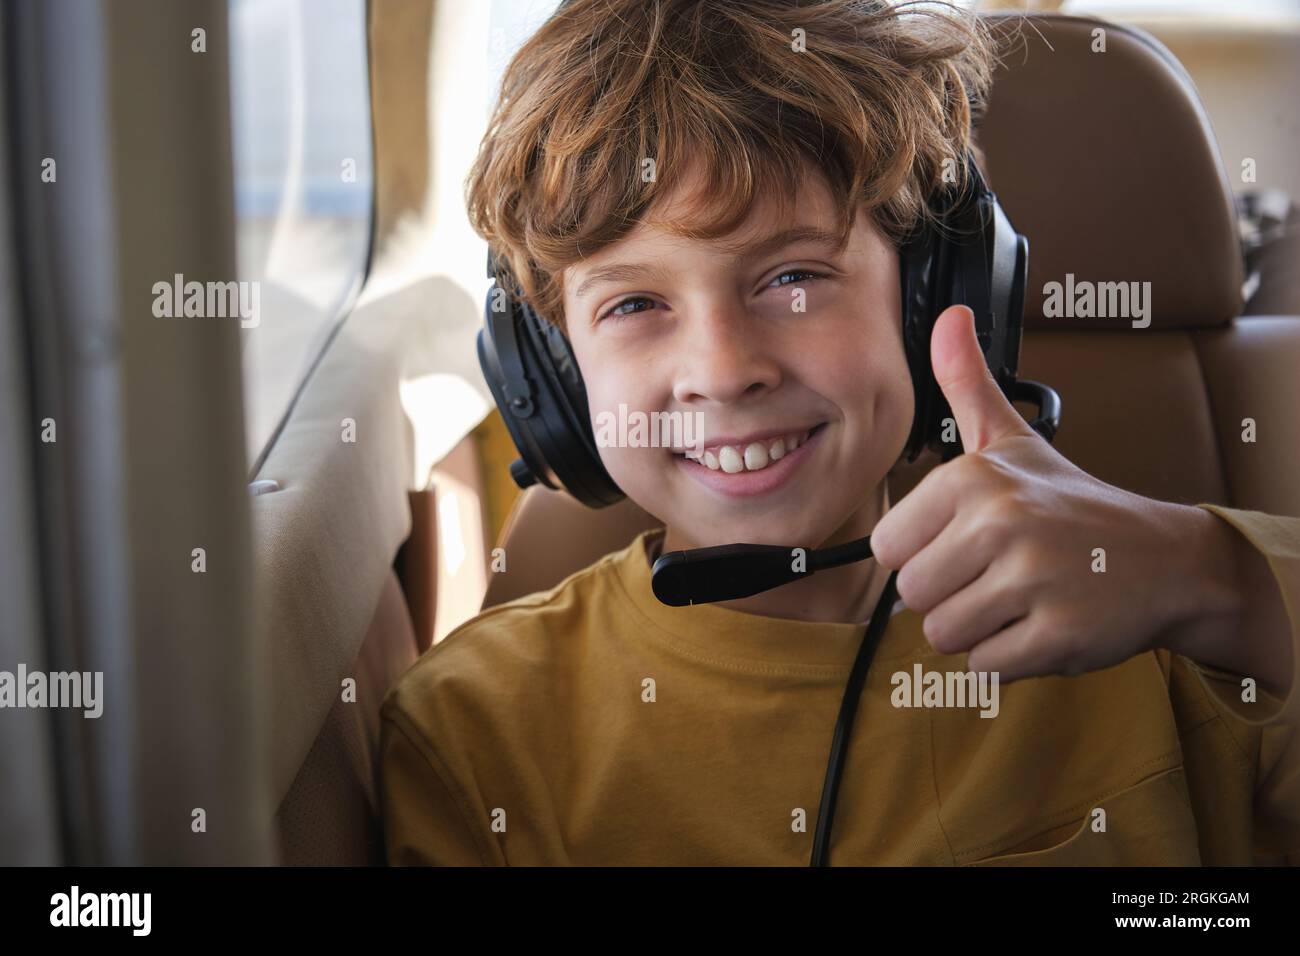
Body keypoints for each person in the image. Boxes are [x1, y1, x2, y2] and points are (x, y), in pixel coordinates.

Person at [379, 0, 1298, 865]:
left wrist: (1208, 576)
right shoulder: (475, 733)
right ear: (554, 374)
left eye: (794, 278)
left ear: (935, 292)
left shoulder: (1157, 633)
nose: (724, 367)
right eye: (633, 302)